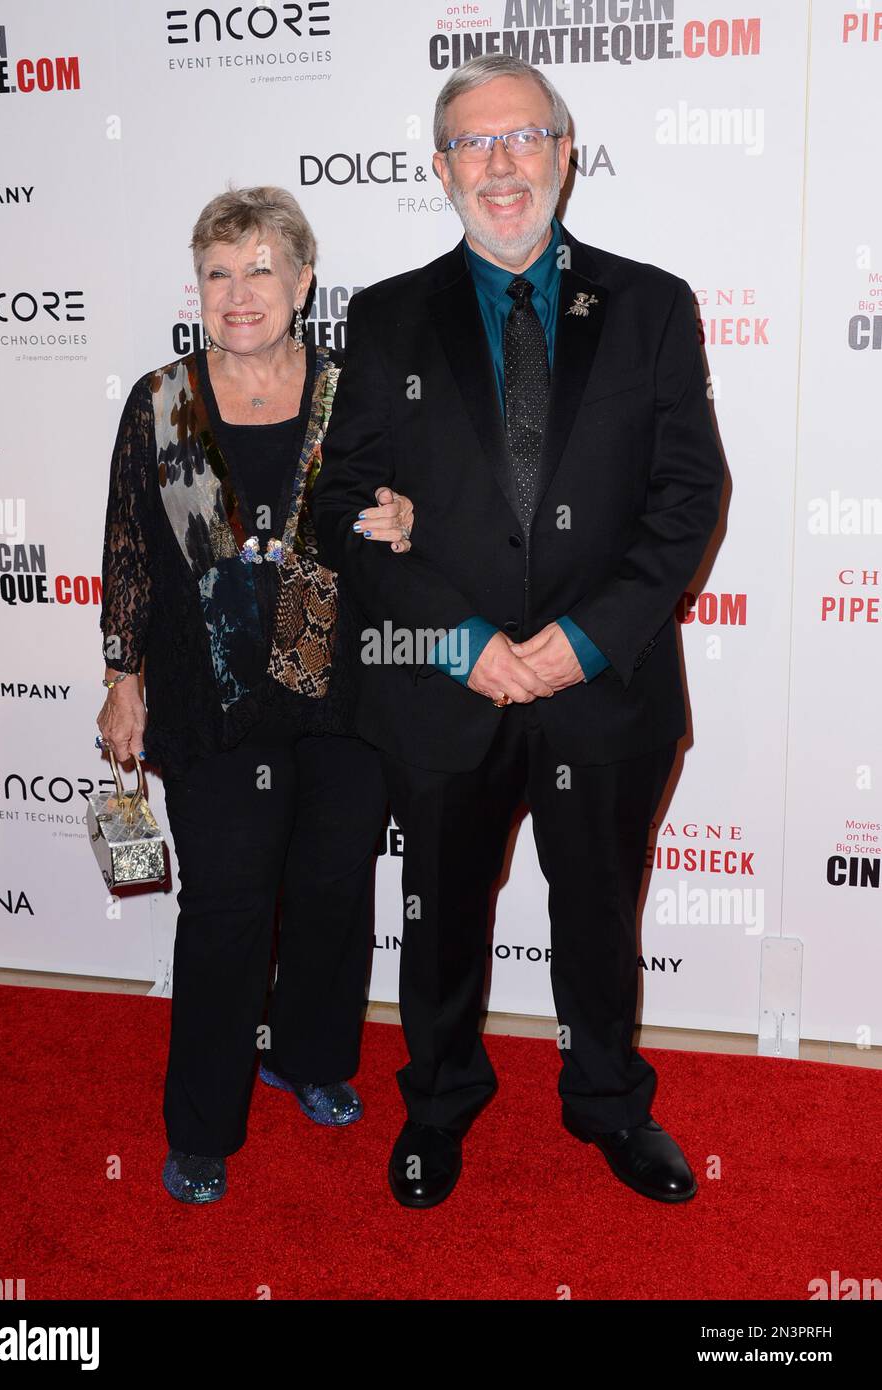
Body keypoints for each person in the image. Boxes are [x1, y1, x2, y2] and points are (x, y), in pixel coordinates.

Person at [312, 56, 724, 1209]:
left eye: (522, 138)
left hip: (605, 684)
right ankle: (436, 1104)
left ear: (563, 151)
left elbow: (686, 496)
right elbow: (347, 507)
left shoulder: (650, 305)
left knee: (598, 909)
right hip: (444, 688)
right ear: (440, 168)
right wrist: (464, 641)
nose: (500, 166)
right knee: (438, 913)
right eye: (472, 144)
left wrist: (585, 641)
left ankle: (609, 1102)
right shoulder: (388, 315)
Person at [97, 186, 414, 1205]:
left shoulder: (354, 390)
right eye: (218, 273)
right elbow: (131, 550)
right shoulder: (159, 399)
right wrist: (121, 677)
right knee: (226, 909)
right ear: (198, 287)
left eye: (260, 269)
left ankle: (310, 1057)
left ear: (304, 281)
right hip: (214, 695)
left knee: (331, 890)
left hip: (344, 688)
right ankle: (201, 1122)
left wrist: (408, 517)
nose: (238, 294)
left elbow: (414, 514)